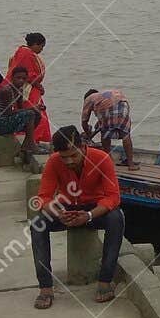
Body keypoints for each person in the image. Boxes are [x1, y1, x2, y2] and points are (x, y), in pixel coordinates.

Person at [30, 127, 125, 308]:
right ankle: (45, 287)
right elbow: (44, 197)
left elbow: (113, 197)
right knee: (37, 224)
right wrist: (58, 214)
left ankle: (105, 281)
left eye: (73, 155)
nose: (69, 161)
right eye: (64, 157)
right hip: (66, 208)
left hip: (95, 209)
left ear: (83, 147)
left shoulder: (102, 158)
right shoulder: (54, 162)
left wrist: (89, 215)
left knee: (116, 218)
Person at [0, 66, 42, 168]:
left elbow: (21, 108)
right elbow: (8, 113)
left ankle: (27, 143)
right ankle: (30, 145)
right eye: (18, 78)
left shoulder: (19, 90)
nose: (21, 80)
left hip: (7, 119)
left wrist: (34, 109)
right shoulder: (6, 91)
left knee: (36, 114)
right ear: (12, 78)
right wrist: (31, 108)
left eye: (23, 78)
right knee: (31, 113)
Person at [8, 32, 51, 146]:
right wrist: (38, 85)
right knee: (36, 114)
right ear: (35, 44)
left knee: (36, 113)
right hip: (28, 90)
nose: (42, 49)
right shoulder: (26, 54)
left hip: (30, 88)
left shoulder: (23, 52)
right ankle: (34, 139)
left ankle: (35, 139)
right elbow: (29, 74)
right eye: (41, 46)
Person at [81, 88, 138, 168]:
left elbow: (84, 121)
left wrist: (88, 134)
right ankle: (131, 164)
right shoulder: (101, 96)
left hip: (109, 106)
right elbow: (105, 118)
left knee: (105, 136)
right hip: (123, 104)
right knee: (125, 134)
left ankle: (110, 163)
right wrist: (100, 124)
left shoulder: (88, 99)